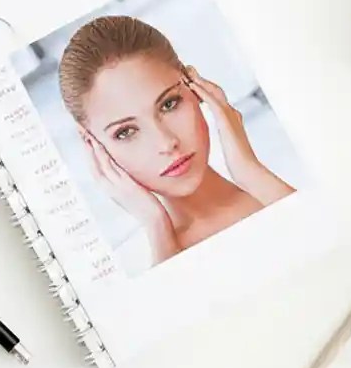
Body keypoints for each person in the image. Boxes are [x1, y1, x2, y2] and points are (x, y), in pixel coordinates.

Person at [59, 15, 294, 268]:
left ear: (194, 85)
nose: (165, 143)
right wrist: (156, 225)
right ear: (92, 143)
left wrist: (249, 171)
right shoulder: (131, 266)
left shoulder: (291, 174)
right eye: (126, 132)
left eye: (169, 104)